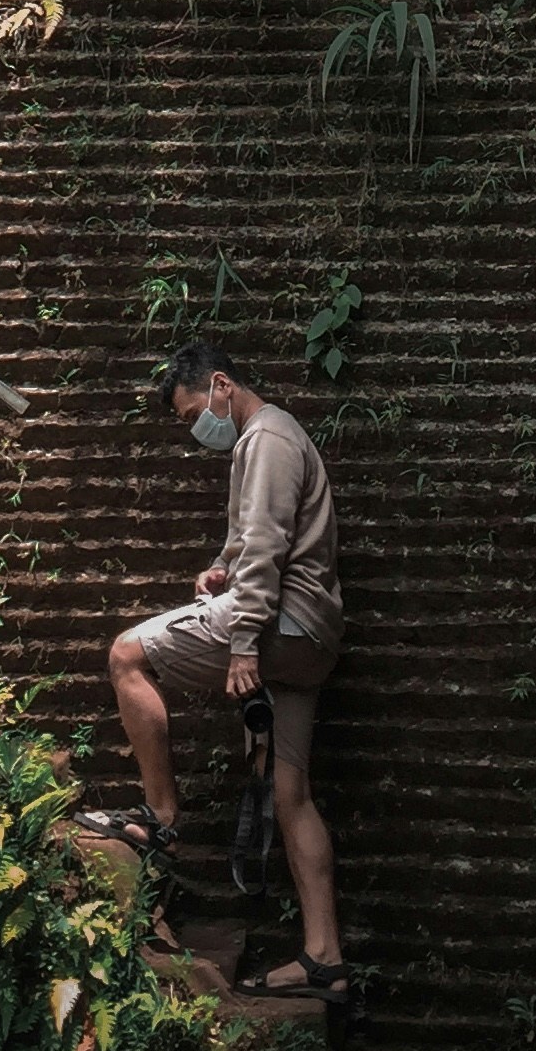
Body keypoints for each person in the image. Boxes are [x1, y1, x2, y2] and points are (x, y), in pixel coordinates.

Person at [78, 341, 348, 1004]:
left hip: (278, 626)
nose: (196, 427)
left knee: (125, 655)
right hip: (310, 637)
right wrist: (222, 569)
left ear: (222, 385)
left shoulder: (265, 437)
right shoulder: (274, 438)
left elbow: (266, 546)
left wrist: (245, 641)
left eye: (195, 411)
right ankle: (324, 961)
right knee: (291, 795)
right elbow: (257, 541)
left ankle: (159, 818)